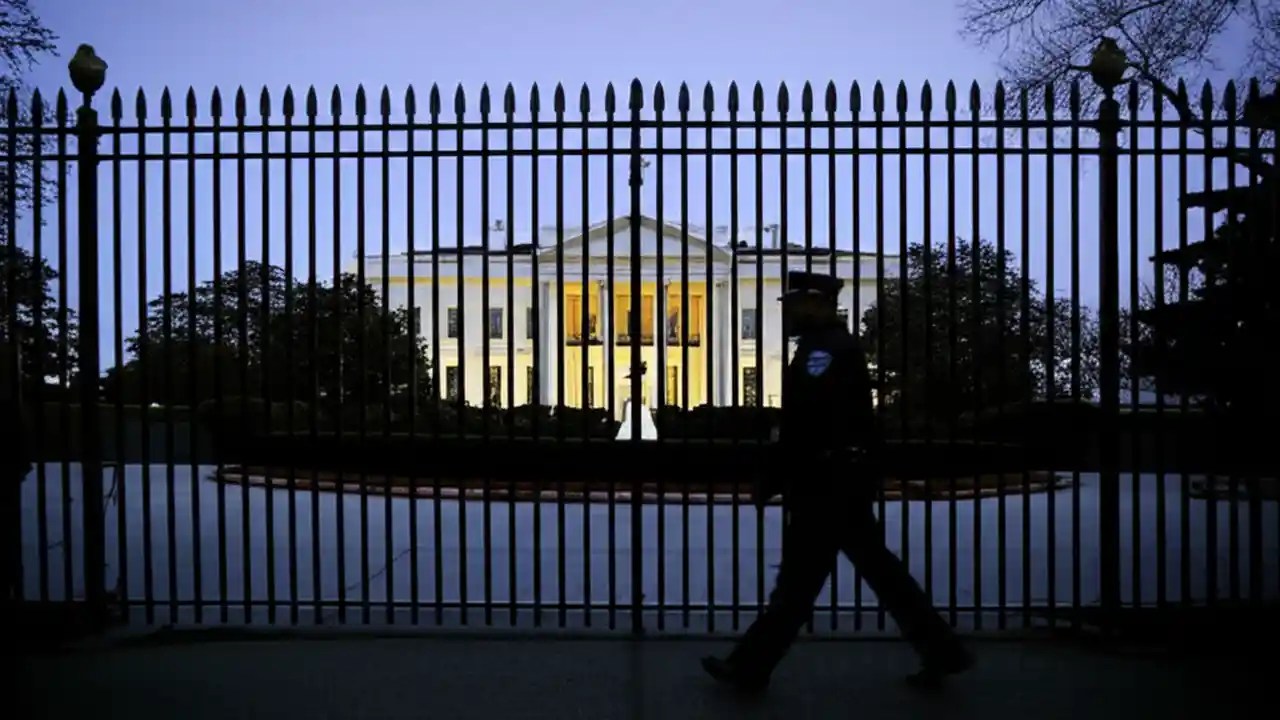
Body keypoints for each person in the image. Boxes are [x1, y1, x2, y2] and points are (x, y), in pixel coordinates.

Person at [700, 270, 973, 693]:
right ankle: (942, 650)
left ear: (820, 304)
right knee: (873, 574)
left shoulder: (823, 350)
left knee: (799, 584)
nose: (789, 311)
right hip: (838, 480)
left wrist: (774, 474)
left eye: (796, 303)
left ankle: (750, 668)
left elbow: (807, 422)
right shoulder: (824, 346)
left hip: (826, 483)